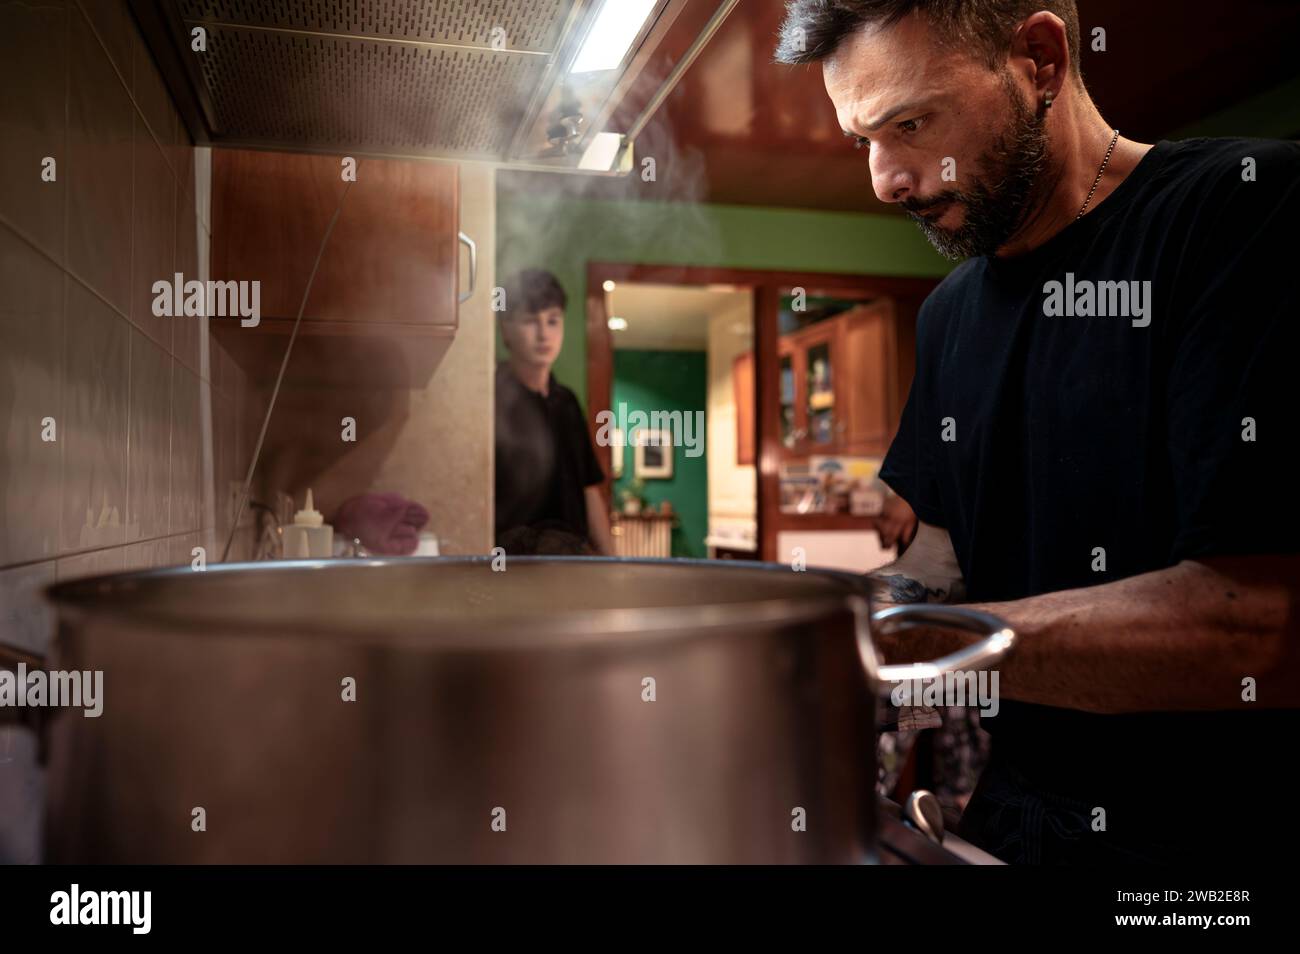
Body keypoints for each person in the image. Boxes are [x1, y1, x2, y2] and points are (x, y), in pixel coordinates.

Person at [777, 0, 1299, 863]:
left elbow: (1261, 626)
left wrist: (907, 644)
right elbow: (936, 570)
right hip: (1013, 821)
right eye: (861, 139)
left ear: (1041, 59)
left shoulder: (1241, 215)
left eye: (910, 122)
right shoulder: (948, 316)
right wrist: (858, 628)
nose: (883, 180)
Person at [494, 269, 615, 555]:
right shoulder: (490, 397)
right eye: (530, 321)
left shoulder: (567, 402)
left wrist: (615, 562)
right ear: (505, 329)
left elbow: (588, 489)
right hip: (510, 564)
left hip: (571, 563)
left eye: (552, 321)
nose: (543, 334)